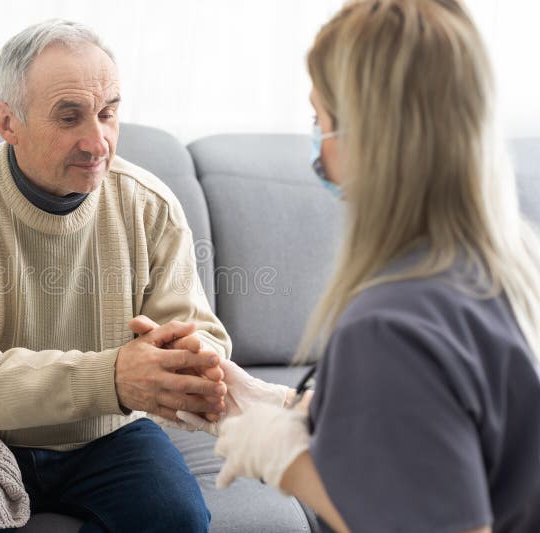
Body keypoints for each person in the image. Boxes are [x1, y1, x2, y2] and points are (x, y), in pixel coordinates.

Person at [0, 19, 240, 532]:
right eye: (70, 117)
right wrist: (113, 376)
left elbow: (198, 331)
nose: (97, 142)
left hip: (108, 434)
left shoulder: (151, 206)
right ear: (8, 123)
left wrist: (197, 363)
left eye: (107, 113)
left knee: (176, 521)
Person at [211, 1, 540, 532]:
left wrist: (287, 463)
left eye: (319, 120)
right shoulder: (508, 265)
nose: (316, 145)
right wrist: (306, 406)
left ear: (369, 136)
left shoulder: (390, 326)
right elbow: (460, 425)